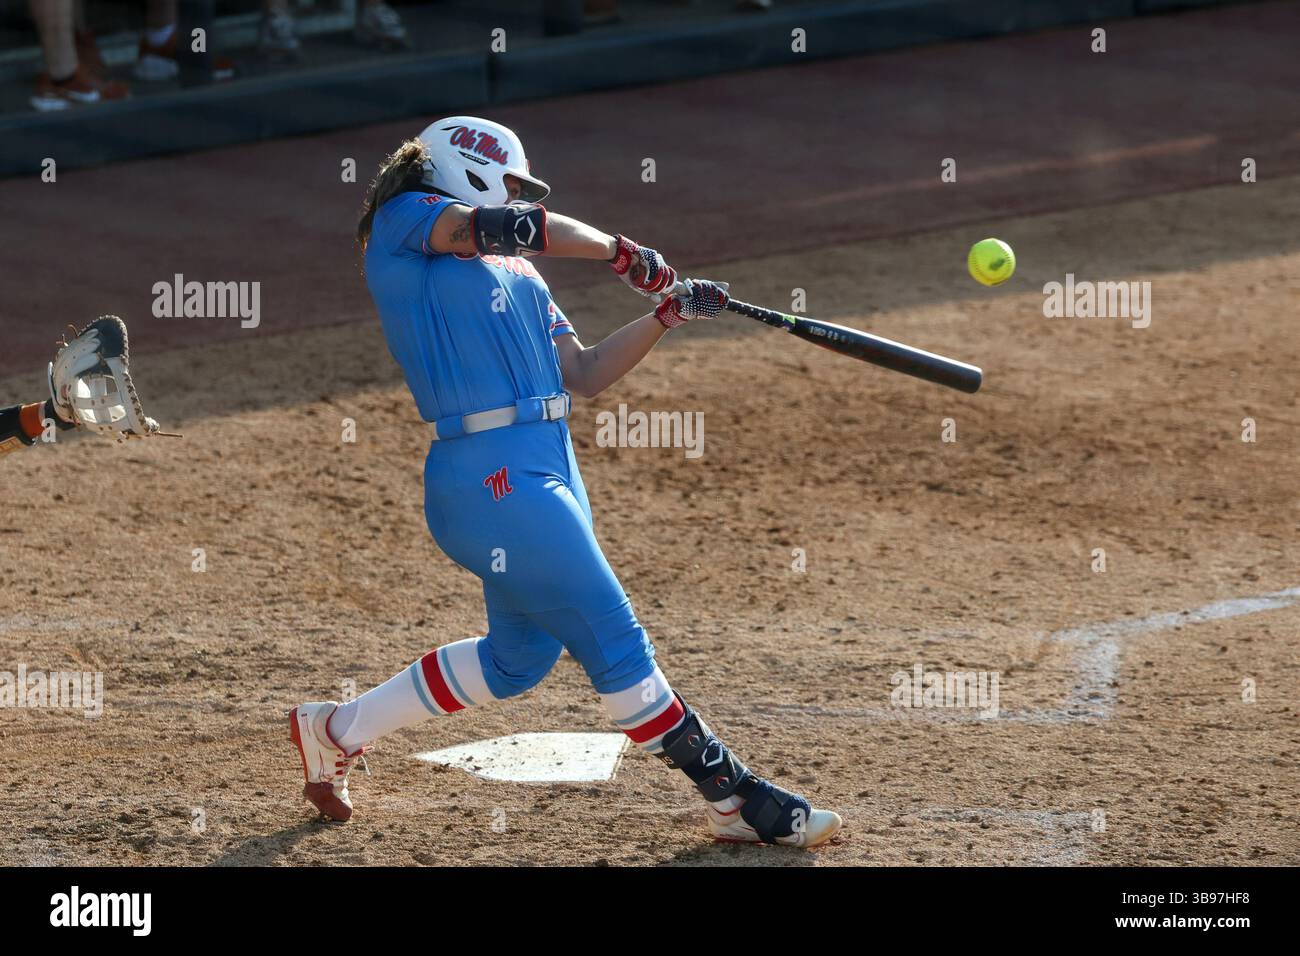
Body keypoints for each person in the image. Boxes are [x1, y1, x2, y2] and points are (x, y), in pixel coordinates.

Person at [288, 116, 842, 848]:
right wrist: (620, 251)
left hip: (548, 461)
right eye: (512, 182)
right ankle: (733, 797)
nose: (518, 196)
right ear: (470, 166)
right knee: (615, 638)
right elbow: (510, 227)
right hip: (489, 474)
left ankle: (334, 729)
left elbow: (584, 372)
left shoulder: (519, 274)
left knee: (516, 660)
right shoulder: (407, 220)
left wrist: (666, 315)